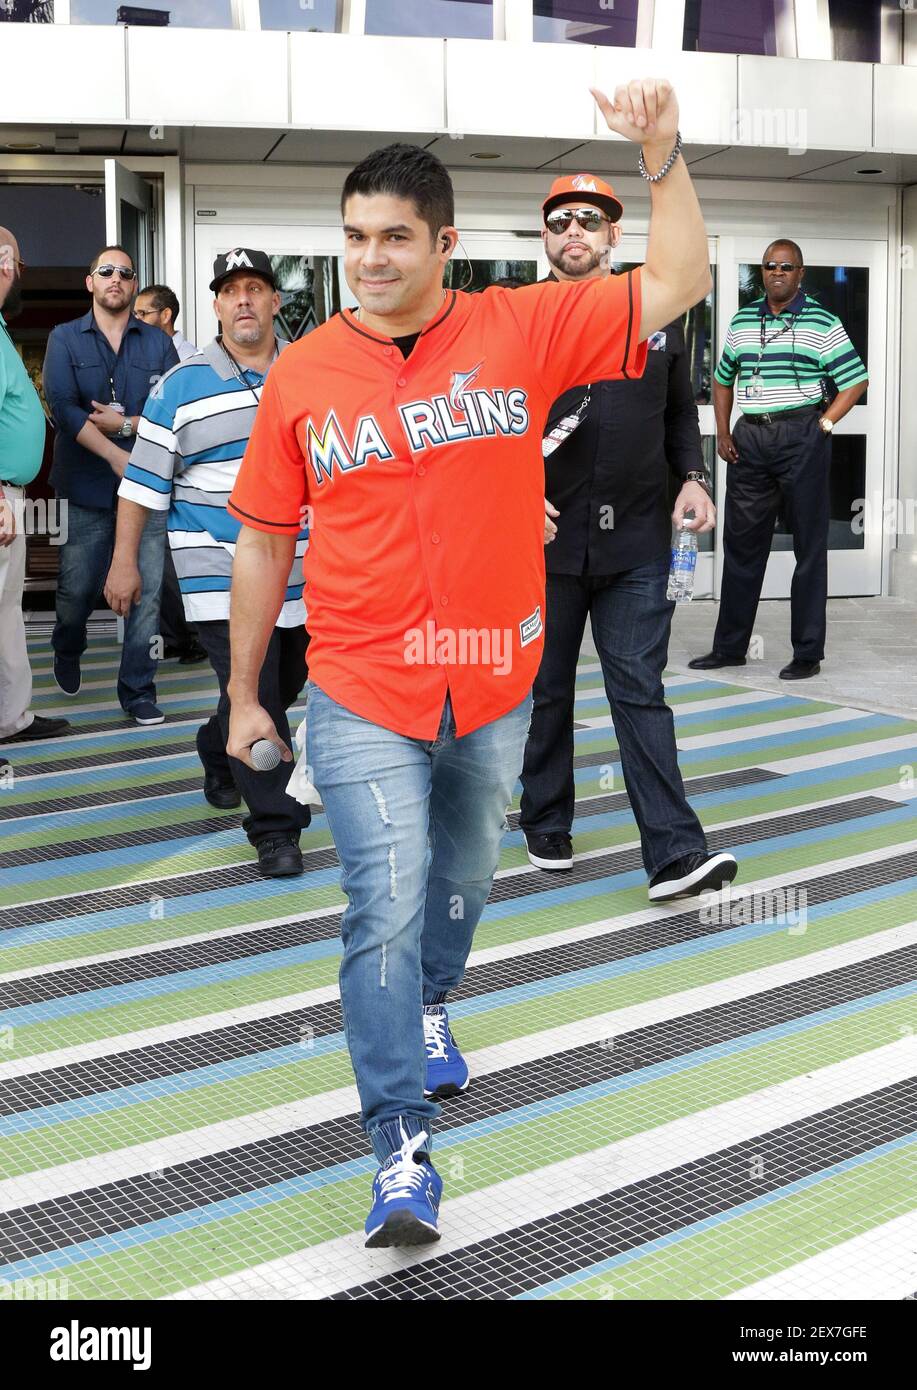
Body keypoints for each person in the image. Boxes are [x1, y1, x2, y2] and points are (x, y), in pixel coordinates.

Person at [224, 79, 711, 1248]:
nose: (370, 258)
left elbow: (680, 283)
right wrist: (244, 691)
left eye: (395, 237)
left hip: (492, 679)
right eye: (353, 237)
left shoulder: (520, 326)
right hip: (358, 686)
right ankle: (399, 1148)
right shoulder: (301, 377)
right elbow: (261, 536)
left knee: (461, 885)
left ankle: (435, 1002)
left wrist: (658, 155)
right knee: (378, 907)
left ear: (445, 243)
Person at [518, 175, 737, 903]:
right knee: (545, 690)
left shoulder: (660, 312)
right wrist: (509, 492)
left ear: (614, 235)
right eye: (559, 221)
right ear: (545, 238)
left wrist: (694, 476)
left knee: (639, 691)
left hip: (639, 543)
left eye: (590, 220)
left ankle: (675, 853)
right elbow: (489, 419)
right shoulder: (518, 320)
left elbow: (681, 412)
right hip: (540, 545)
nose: (573, 230)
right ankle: (546, 821)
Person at [104, 249, 311, 879]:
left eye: (255, 288)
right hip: (217, 570)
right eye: (230, 291)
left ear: (277, 301)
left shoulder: (310, 372)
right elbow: (141, 487)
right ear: (215, 305)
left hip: (302, 572)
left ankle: (216, 744)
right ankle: (275, 828)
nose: (243, 300)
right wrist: (124, 564)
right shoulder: (180, 386)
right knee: (265, 697)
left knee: (287, 678)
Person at [690, 239, 868, 680]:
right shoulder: (744, 318)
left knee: (809, 547)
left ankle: (807, 653)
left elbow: (855, 381)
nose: (777, 273)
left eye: (786, 267)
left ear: (800, 273)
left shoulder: (822, 321)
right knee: (742, 546)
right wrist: (726, 430)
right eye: (770, 266)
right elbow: (722, 378)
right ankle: (730, 647)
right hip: (751, 437)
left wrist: (823, 426)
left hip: (801, 433)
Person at [43, 245, 178, 724]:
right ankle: (68, 644)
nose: (115, 278)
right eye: (106, 271)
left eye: (125, 272)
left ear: (134, 284)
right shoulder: (64, 338)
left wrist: (124, 427)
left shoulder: (158, 344)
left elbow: (171, 411)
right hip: (85, 486)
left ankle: (139, 689)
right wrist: (115, 455)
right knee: (77, 589)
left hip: (147, 486)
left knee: (145, 596)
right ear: (91, 282)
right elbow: (64, 408)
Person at [0, 227, 71, 745]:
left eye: (14, 261)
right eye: (5, 258)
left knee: (6, 609)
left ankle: (11, 717)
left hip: (11, 494)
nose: (12, 269)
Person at [133, 284, 205, 665]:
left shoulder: (186, 359)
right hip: (157, 468)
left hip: (183, 474)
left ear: (166, 316)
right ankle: (177, 636)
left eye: (144, 313)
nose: (137, 319)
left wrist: (127, 422)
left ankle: (190, 637)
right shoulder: (143, 353)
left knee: (173, 554)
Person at [134, 284, 199, 362]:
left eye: (142, 313)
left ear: (166, 315)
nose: (135, 321)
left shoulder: (189, 361)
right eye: (135, 314)